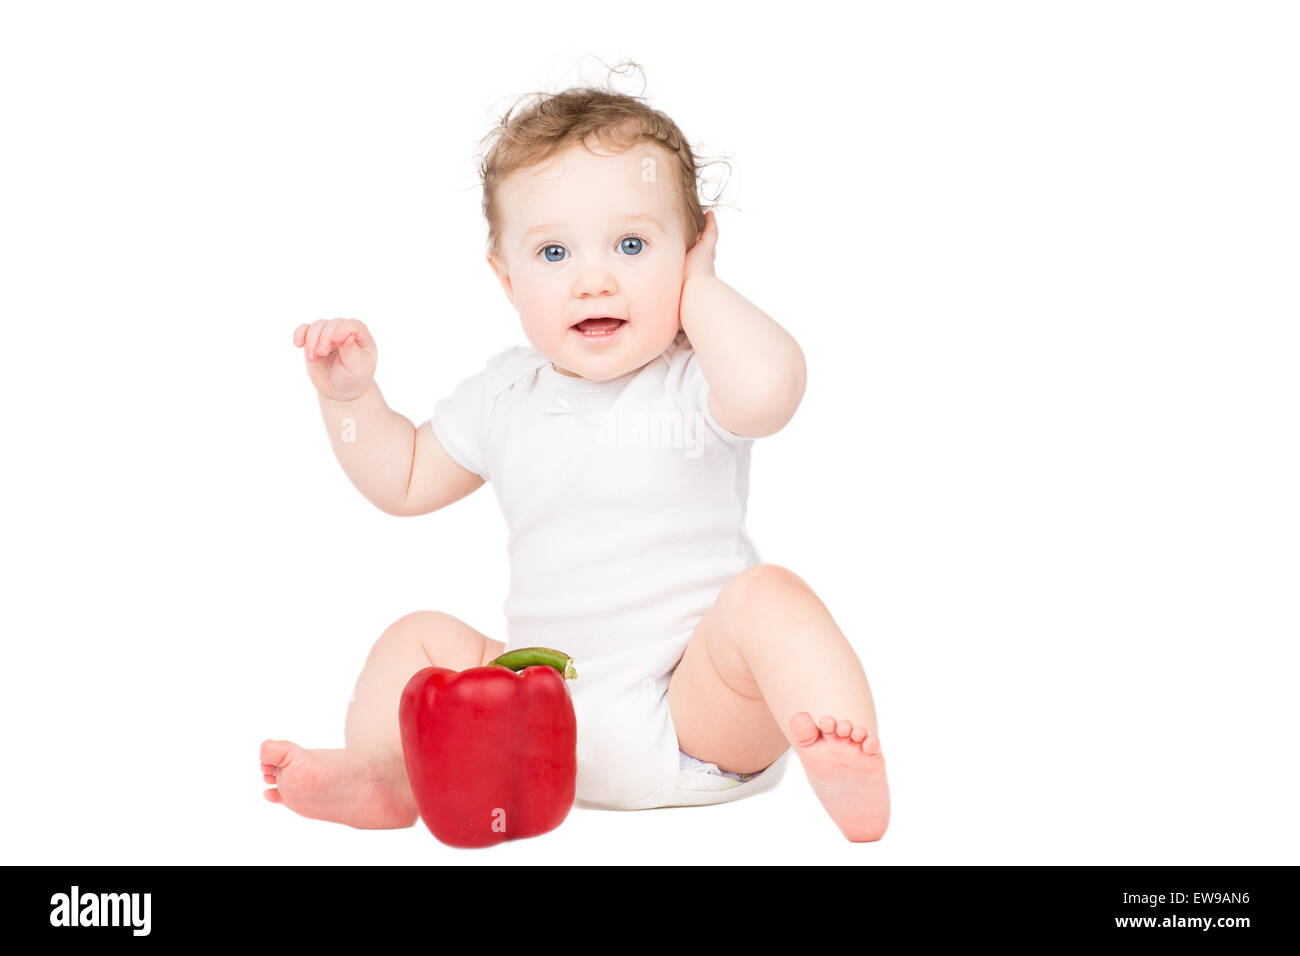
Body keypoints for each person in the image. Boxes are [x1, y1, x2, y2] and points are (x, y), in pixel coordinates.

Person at [260, 78, 889, 841]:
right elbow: (403, 479)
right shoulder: (505, 394)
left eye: (633, 246)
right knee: (418, 637)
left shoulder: (694, 376)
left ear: (690, 253)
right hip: (540, 719)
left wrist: (704, 291)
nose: (595, 278)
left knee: (766, 598)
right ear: (506, 278)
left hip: (695, 713)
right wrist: (352, 403)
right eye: (554, 252)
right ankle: (391, 777)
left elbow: (771, 391)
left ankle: (840, 744)